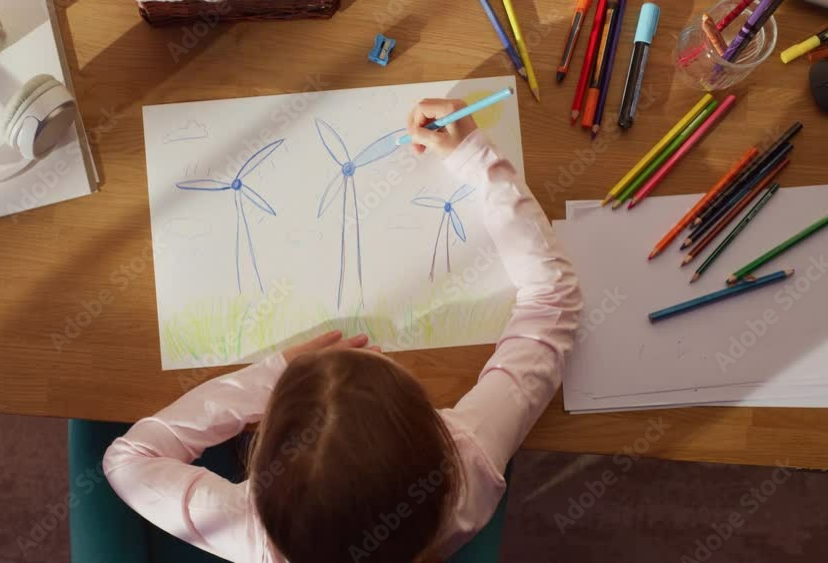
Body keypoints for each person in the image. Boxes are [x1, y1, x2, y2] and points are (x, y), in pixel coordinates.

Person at [104, 99, 582, 562]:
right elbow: (552, 302)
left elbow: (127, 462)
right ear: (436, 430)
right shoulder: (469, 464)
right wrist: (475, 157)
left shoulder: (248, 530)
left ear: (260, 454)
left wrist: (270, 375)